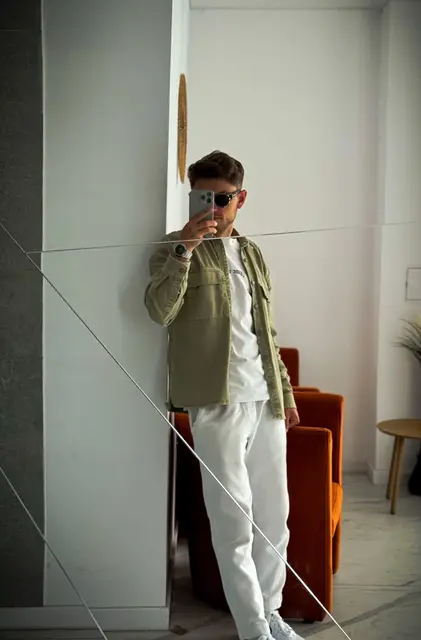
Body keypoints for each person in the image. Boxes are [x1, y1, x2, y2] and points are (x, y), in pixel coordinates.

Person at [145, 151, 303, 640]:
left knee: (275, 520)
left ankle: (271, 614)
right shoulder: (173, 246)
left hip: (265, 401)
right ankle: (254, 630)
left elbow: (266, 332)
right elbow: (159, 311)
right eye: (203, 198)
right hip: (215, 402)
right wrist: (186, 250)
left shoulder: (252, 253)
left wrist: (286, 393)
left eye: (222, 198)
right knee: (233, 522)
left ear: (241, 198)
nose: (213, 208)